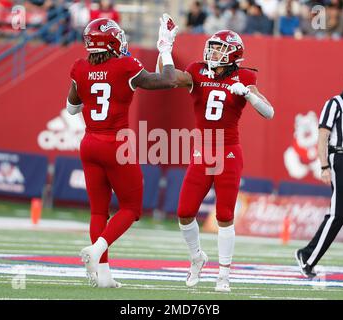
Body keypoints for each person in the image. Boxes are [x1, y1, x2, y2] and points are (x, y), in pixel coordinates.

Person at [157, 29, 274, 292]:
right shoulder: (197, 70)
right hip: (201, 151)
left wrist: (248, 94)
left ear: (233, 54)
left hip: (229, 152)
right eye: (212, 47)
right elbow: (170, 78)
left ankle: (224, 274)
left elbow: (269, 112)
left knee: (224, 215)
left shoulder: (244, 76)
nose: (212, 53)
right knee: (185, 213)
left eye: (219, 48)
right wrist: (165, 48)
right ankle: (197, 257)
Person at [66, 15, 178, 288]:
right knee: (131, 208)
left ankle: (103, 276)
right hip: (117, 144)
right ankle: (97, 249)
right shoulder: (125, 65)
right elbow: (168, 80)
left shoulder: (80, 67)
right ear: (112, 41)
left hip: (90, 143)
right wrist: (165, 48)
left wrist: (91, 91)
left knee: (98, 212)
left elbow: (71, 108)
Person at [295, 89, 343, 278]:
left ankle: (308, 255)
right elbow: (323, 135)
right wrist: (324, 166)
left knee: (339, 213)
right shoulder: (335, 104)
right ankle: (307, 256)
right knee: (337, 213)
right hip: (339, 157)